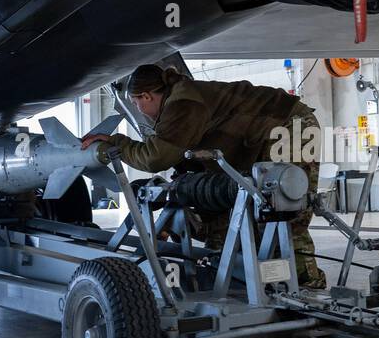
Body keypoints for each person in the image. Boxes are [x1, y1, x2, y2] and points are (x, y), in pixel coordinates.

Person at [81, 64, 327, 289]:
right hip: (262, 137)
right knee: (235, 207)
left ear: (146, 96)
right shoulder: (179, 100)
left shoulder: (183, 102)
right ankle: (243, 277)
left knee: (283, 210)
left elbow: (155, 158)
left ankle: (306, 287)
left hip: (290, 125)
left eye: (137, 104)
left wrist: (115, 144)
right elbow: (187, 159)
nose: (140, 111)